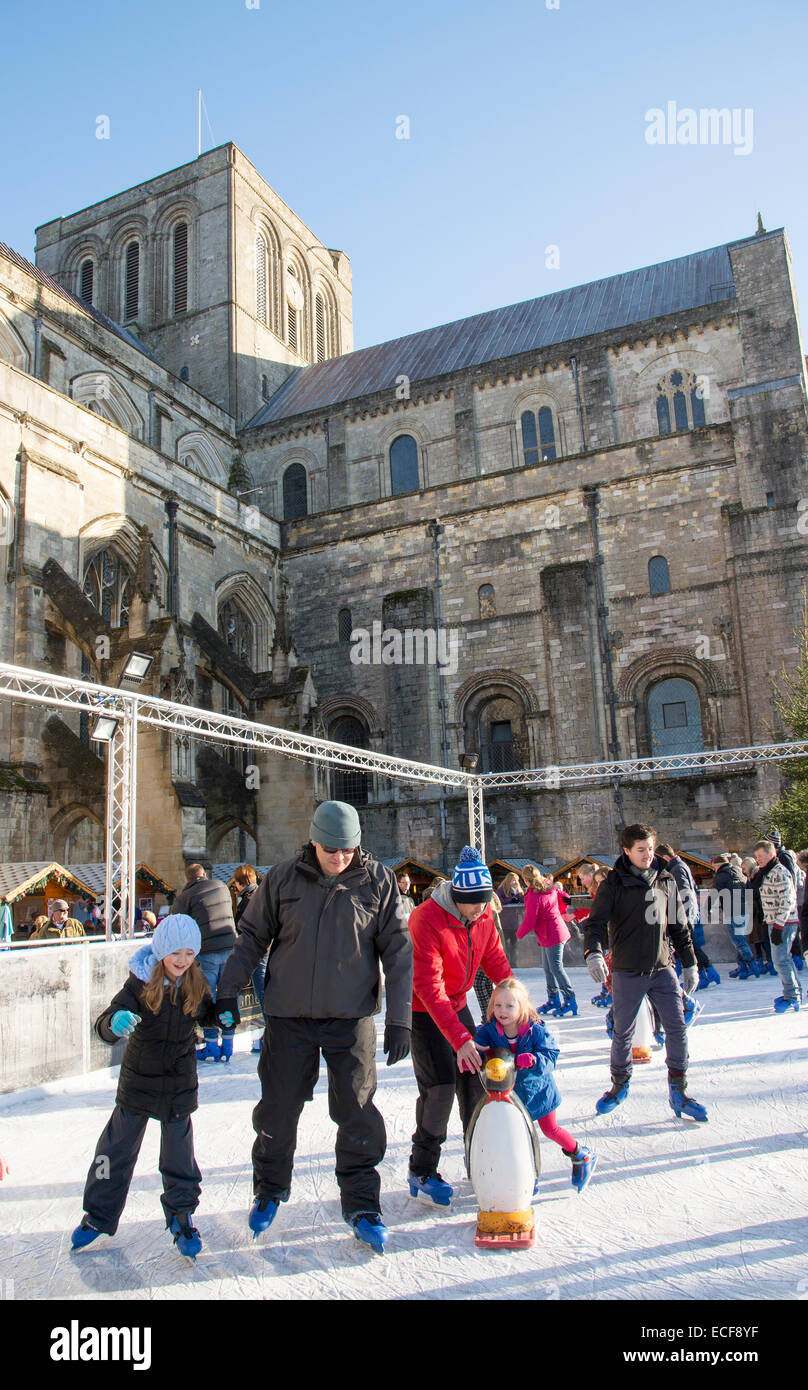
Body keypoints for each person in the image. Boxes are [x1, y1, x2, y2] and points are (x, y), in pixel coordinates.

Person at [213, 801, 413, 1255]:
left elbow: (399, 954)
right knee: (278, 1110)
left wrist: (400, 1018)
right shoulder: (282, 878)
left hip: (351, 1019)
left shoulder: (378, 882)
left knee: (358, 1113)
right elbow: (251, 940)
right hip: (289, 1019)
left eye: (347, 850)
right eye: (330, 850)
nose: (339, 858)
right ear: (313, 841)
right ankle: (268, 1189)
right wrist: (227, 990)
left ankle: (363, 1206)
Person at [70, 914, 223, 1258]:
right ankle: (97, 1216)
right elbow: (104, 1022)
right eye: (175, 953)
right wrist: (115, 1022)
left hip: (179, 1082)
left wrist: (222, 1016)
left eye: (188, 953)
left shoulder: (197, 983)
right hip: (139, 1080)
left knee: (180, 1158)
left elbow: (208, 1014)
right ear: (160, 952)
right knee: (113, 1153)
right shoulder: (138, 984)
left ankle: (182, 1217)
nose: (182, 960)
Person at [406, 845, 511, 1208]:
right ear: (458, 897)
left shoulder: (481, 918)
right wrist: (460, 1038)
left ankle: (477, 1155)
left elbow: (496, 960)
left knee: (473, 1082)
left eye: (486, 903)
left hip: (458, 1003)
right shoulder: (426, 918)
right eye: (475, 904)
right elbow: (428, 988)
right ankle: (422, 1168)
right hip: (423, 1011)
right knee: (439, 1088)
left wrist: (516, 1002)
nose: (482, 910)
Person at [583, 822, 708, 1122]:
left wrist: (690, 963)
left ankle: (679, 1090)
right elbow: (596, 923)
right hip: (628, 969)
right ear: (627, 851)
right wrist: (594, 953)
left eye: (651, 849)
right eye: (641, 850)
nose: (648, 855)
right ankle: (619, 1085)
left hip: (663, 967)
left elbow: (679, 926)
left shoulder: (665, 880)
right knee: (623, 1032)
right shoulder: (613, 884)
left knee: (676, 1028)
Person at [473, 976, 597, 1192]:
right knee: (518, 1134)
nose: (503, 1011)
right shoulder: (489, 1030)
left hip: (540, 1091)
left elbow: (551, 1054)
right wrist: (473, 1053)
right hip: (511, 1095)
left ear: (521, 1006)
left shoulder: (535, 1029)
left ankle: (581, 1155)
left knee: (550, 1129)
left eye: (509, 1006)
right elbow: (477, 1047)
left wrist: (534, 1060)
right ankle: (526, 1175)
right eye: (498, 1005)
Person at [170, 862, 238, 1063]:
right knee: (228, 995)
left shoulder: (187, 895)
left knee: (206, 997)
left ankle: (210, 1046)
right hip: (229, 946)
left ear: (188, 878)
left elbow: (176, 921)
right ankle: (228, 1043)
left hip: (206, 951)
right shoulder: (221, 886)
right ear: (204, 874)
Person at [655, 844, 719, 989]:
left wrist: (681, 915)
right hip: (687, 912)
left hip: (684, 913)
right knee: (691, 945)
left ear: (665, 857)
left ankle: (707, 972)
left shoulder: (676, 869)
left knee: (692, 946)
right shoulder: (679, 866)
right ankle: (708, 971)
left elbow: (684, 892)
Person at [517, 866, 577, 1016]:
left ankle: (570, 999)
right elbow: (565, 897)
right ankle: (554, 999)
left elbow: (530, 919)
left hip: (552, 933)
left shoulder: (534, 895)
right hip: (549, 932)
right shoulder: (549, 886)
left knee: (556, 968)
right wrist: (561, 910)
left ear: (525, 879)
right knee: (548, 968)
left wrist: (519, 934)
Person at [751, 839, 801, 1013]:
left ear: (771, 854)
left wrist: (779, 926)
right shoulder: (766, 872)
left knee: (780, 960)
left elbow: (788, 900)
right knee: (783, 959)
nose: (758, 860)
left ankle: (792, 996)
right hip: (774, 921)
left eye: (760, 856)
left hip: (784, 922)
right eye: (756, 857)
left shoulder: (779, 872)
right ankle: (794, 992)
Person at [710, 854, 759, 978]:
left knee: (739, 941)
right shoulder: (739, 871)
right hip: (744, 910)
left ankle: (752, 965)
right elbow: (749, 889)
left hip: (733, 912)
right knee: (740, 940)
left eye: (714, 867)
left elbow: (714, 894)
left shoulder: (721, 876)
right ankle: (742, 967)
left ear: (717, 866)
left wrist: (708, 909)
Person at [233, 864, 264, 1055]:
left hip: (257, 952)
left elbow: (243, 928)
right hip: (267, 950)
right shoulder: (262, 894)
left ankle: (270, 1037)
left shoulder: (247, 900)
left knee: (264, 996)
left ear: (239, 882)